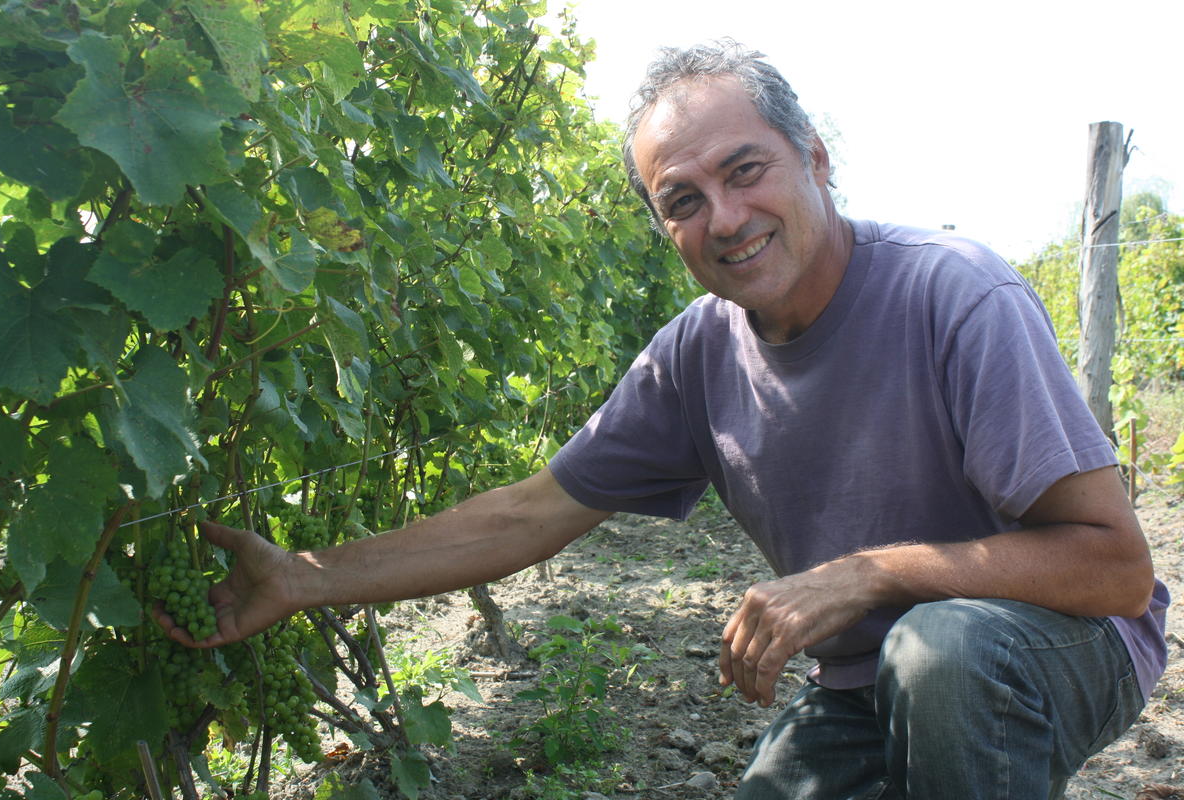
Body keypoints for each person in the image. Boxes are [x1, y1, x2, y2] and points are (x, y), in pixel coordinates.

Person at [158, 41, 1170, 799]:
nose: (723, 218)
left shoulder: (958, 295)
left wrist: (872, 569)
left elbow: (1115, 569)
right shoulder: (697, 352)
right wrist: (303, 577)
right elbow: (529, 512)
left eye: (745, 170)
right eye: (681, 199)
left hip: (1059, 645)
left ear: (815, 157)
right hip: (873, 679)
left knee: (940, 657)